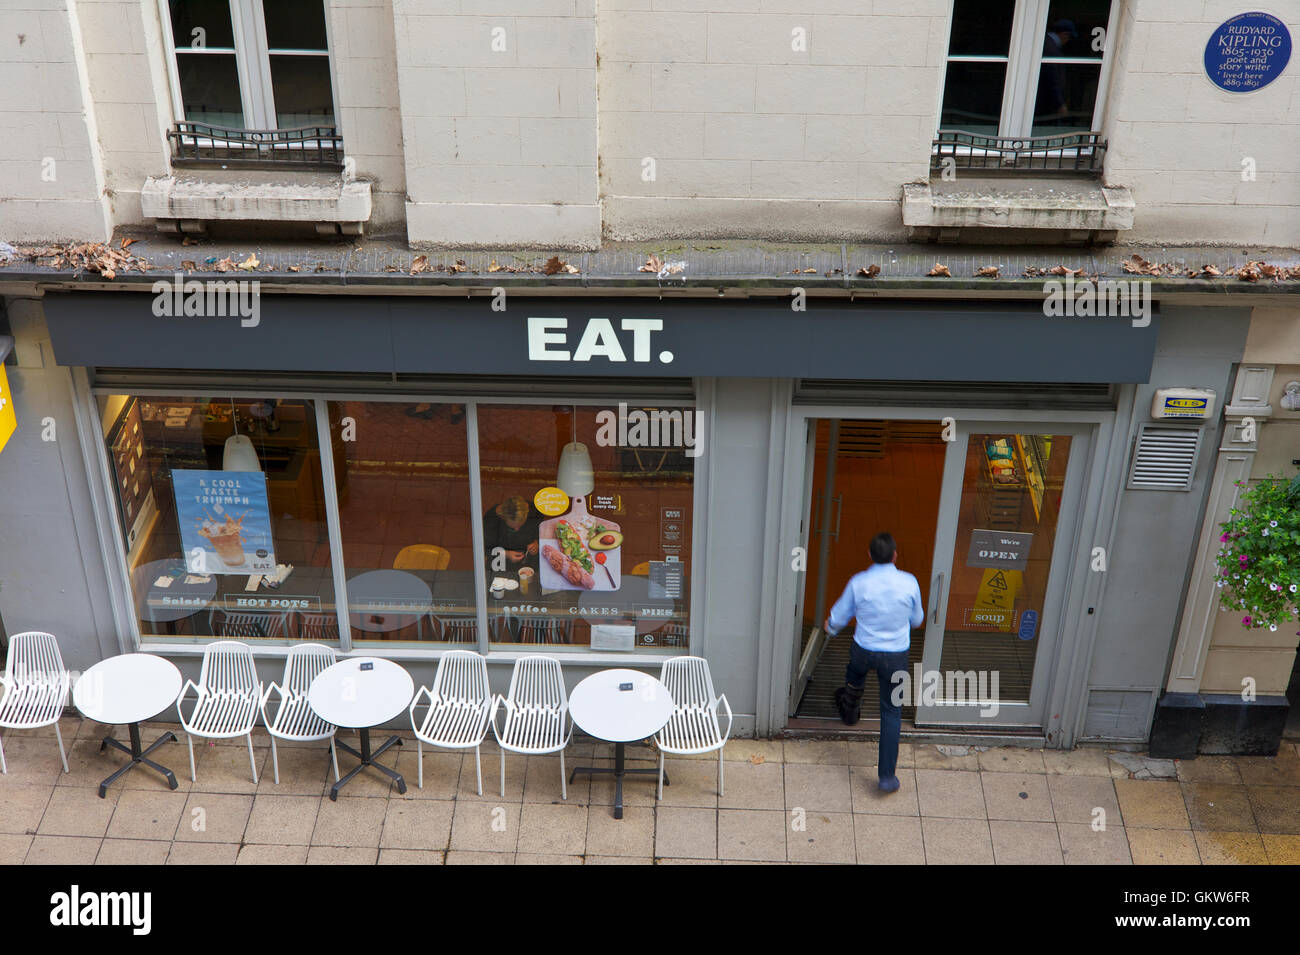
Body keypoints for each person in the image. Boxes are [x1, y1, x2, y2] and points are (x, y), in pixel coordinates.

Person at [824, 532, 924, 794]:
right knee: (891, 712)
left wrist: (830, 627)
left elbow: (840, 616)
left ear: (869, 555)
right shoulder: (909, 582)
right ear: (895, 555)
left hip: (864, 649)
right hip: (895, 656)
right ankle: (887, 777)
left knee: (855, 675)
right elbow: (917, 621)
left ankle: (850, 712)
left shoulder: (859, 582)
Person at [482, 495, 540, 574]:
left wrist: (537, 543)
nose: (517, 529)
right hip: (500, 562)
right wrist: (505, 553)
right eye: (512, 527)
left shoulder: (534, 512)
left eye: (520, 525)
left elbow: (543, 532)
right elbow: (484, 549)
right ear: (503, 517)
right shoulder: (491, 520)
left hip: (528, 560)